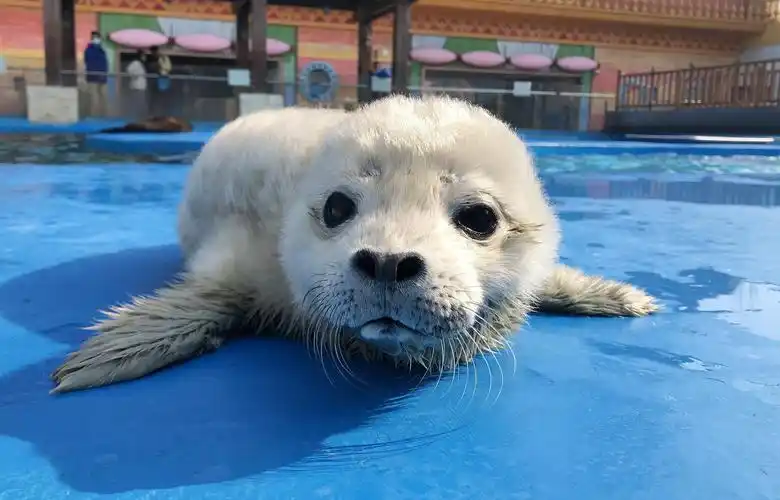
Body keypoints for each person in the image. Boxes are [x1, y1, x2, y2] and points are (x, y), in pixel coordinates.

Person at [83, 31, 108, 116]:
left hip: (103, 77)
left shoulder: (102, 50)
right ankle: (93, 115)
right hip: (93, 76)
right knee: (94, 98)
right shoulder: (89, 50)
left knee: (103, 97)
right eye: (94, 38)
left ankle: (104, 115)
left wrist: (104, 74)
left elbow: (105, 63)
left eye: (97, 37)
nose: (96, 39)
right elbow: (89, 62)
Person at [126, 50, 148, 119]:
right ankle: (135, 116)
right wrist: (134, 75)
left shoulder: (141, 64)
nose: (144, 57)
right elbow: (128, 70)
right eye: (143, 55)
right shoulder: (135, 63)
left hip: (141, 87)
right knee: (138, 103)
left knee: (141, 103)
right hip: (136, 87)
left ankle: (140, 116)